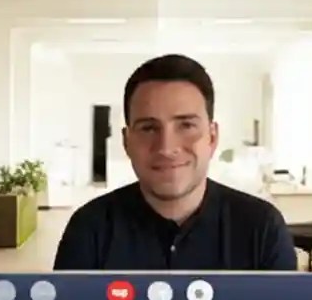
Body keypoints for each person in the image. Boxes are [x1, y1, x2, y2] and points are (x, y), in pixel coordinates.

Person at [53, 53, 299, 272]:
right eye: (149, 128)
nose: (167, 148)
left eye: (186, 125)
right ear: (127, 142)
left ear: (212, 137)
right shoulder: (89, 229)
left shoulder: (262, 228)